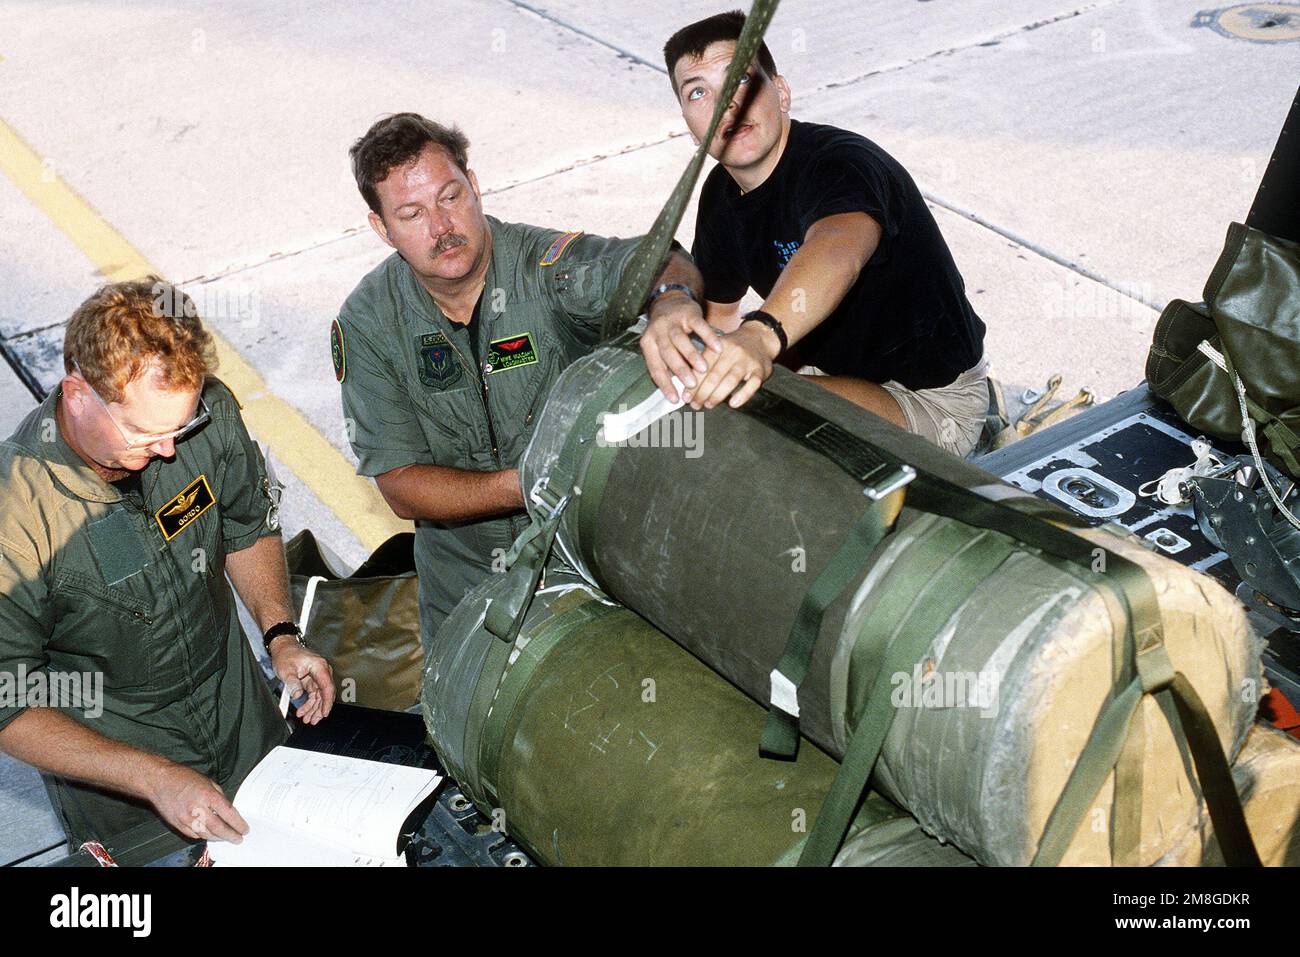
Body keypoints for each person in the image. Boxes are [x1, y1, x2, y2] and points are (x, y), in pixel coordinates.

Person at [335, 113, 704, 646]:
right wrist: (532, 481)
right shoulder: (368, 324)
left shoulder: (545, 268)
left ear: (475, 185)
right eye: (412, 214)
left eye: (450, 197)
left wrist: (672, 302)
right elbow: (401, 485)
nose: (442, 228)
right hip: (467, 595)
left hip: (587, 566)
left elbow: (657, 259)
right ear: (381, 228)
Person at [0, 279, 335, 850]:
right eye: (144, 432)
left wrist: (280, 634)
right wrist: (152, 778)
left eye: (180, 427)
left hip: (240, 717)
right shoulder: (17, 516)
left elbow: (246, 523)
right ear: (77, 394)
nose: (168, 450)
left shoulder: (206, 413)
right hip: (121, 781)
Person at [642, 10, 990, 457]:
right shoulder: (721, 196)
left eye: (741, 80)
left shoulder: (840, 163)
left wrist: (761, 335)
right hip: (828, 369)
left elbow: (837, 246)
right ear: (691, 128)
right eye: (698, 92)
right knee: (688, 405)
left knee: (749, 427)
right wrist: (673, 312)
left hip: (931, 401)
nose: (726, 103)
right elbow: (717, 318)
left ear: (781, 92)